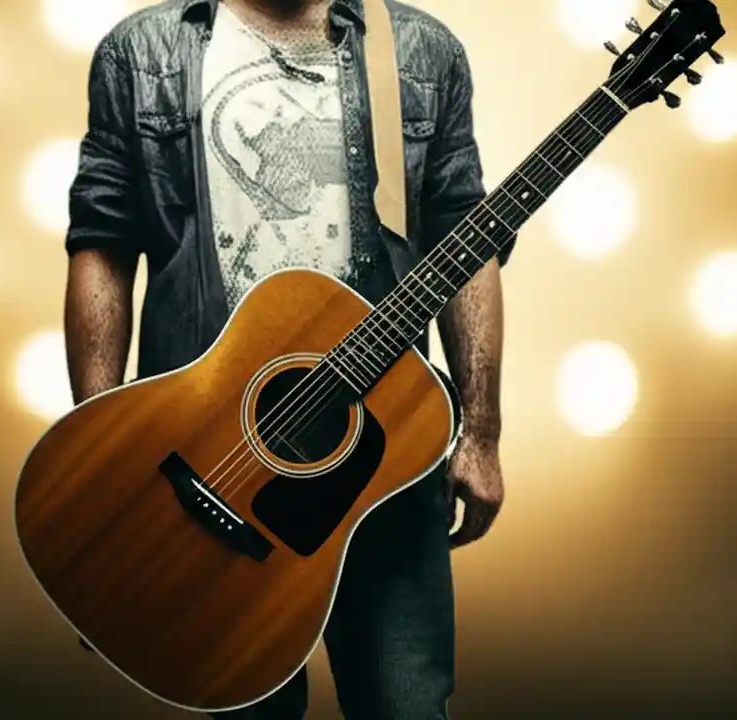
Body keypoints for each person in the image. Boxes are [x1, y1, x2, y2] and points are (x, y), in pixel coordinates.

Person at [63, 1, 505, 717]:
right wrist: (104, 464)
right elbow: (102, 245)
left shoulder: (422, 53)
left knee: (407, 708)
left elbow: (467, 245)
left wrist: (481, 433)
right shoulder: (139, 53)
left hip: (381, 461)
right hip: (210, 467)